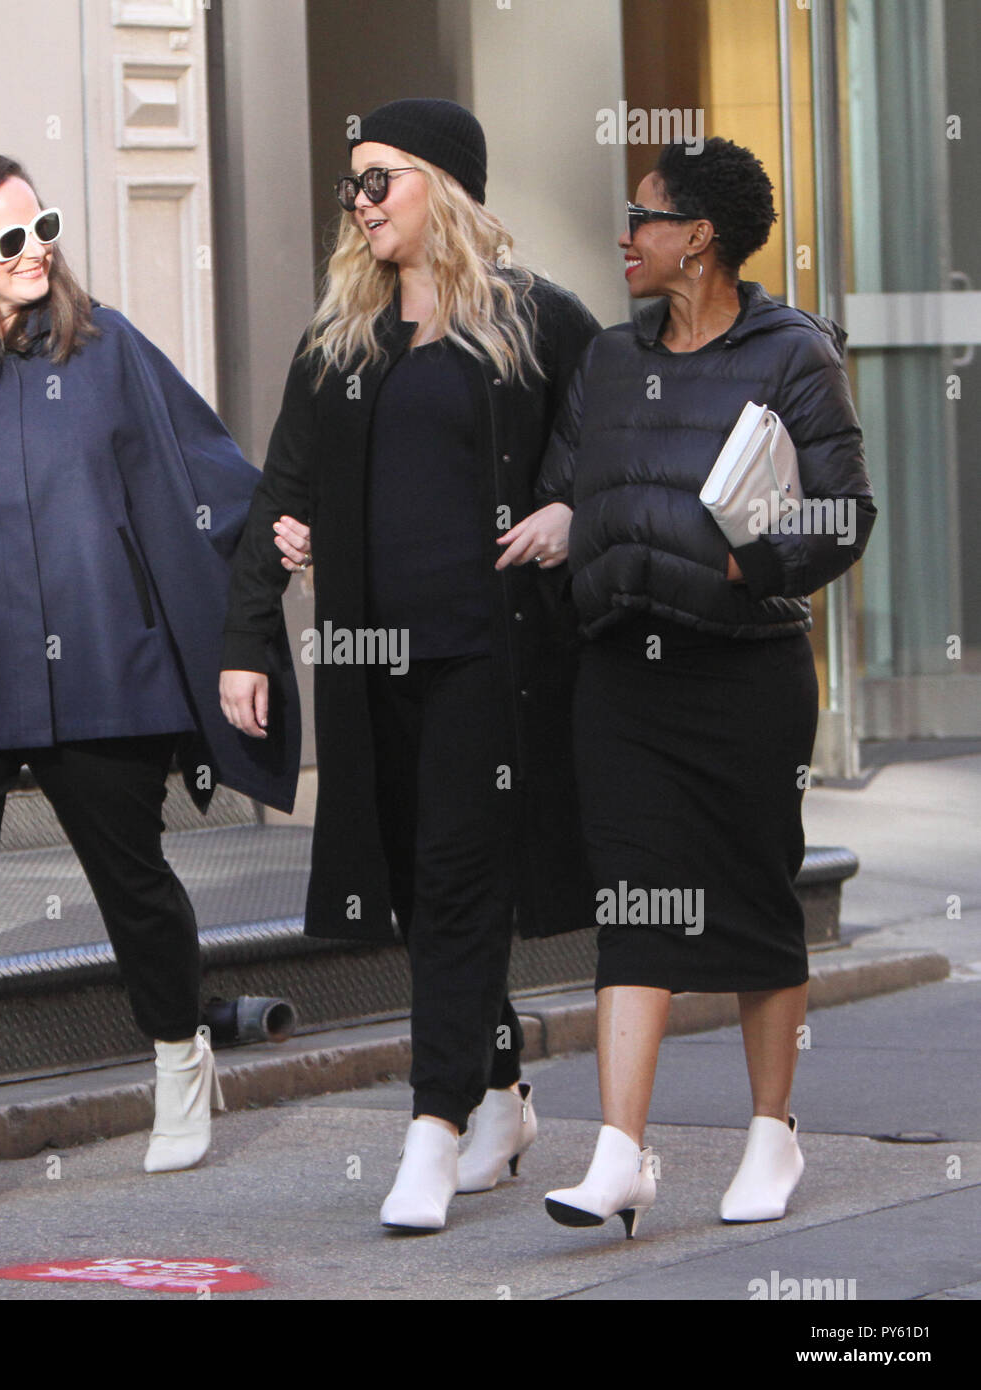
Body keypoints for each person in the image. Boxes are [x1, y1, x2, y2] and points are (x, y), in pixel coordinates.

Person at [0, 154, 299, 1213]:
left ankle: (180, 1059)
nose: (37, 251)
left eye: (46, 228)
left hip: (99, 665)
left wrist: (271, 538)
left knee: (134, 879)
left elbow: (203, 467)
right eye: (9, 240)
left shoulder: (105, 349)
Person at [219, 99, 600, 1232]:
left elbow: (610, 449)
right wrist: (250, 635)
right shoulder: (343, 335)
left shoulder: (538, 322)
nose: (361, 201)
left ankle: (430, 1130)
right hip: (372, 665)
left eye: (380, 178)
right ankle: (498, 1093)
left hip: (494, 660)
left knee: (458, 876)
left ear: (446, 184)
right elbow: (279, 492)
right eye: (352, 184)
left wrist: (572, 510)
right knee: (425, 890)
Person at [505, 136, 876, 1237]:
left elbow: (842, 514)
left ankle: (773, 1130)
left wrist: (745, 560)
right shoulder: (612, 359)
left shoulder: (793, 353)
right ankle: (620, 1152)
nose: (626, 235)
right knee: (631, 901)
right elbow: (567, 478)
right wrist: (564, 521)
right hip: (620, 668)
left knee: (757, 897)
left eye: (645, 216)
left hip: (744, 674)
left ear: (698, 238)